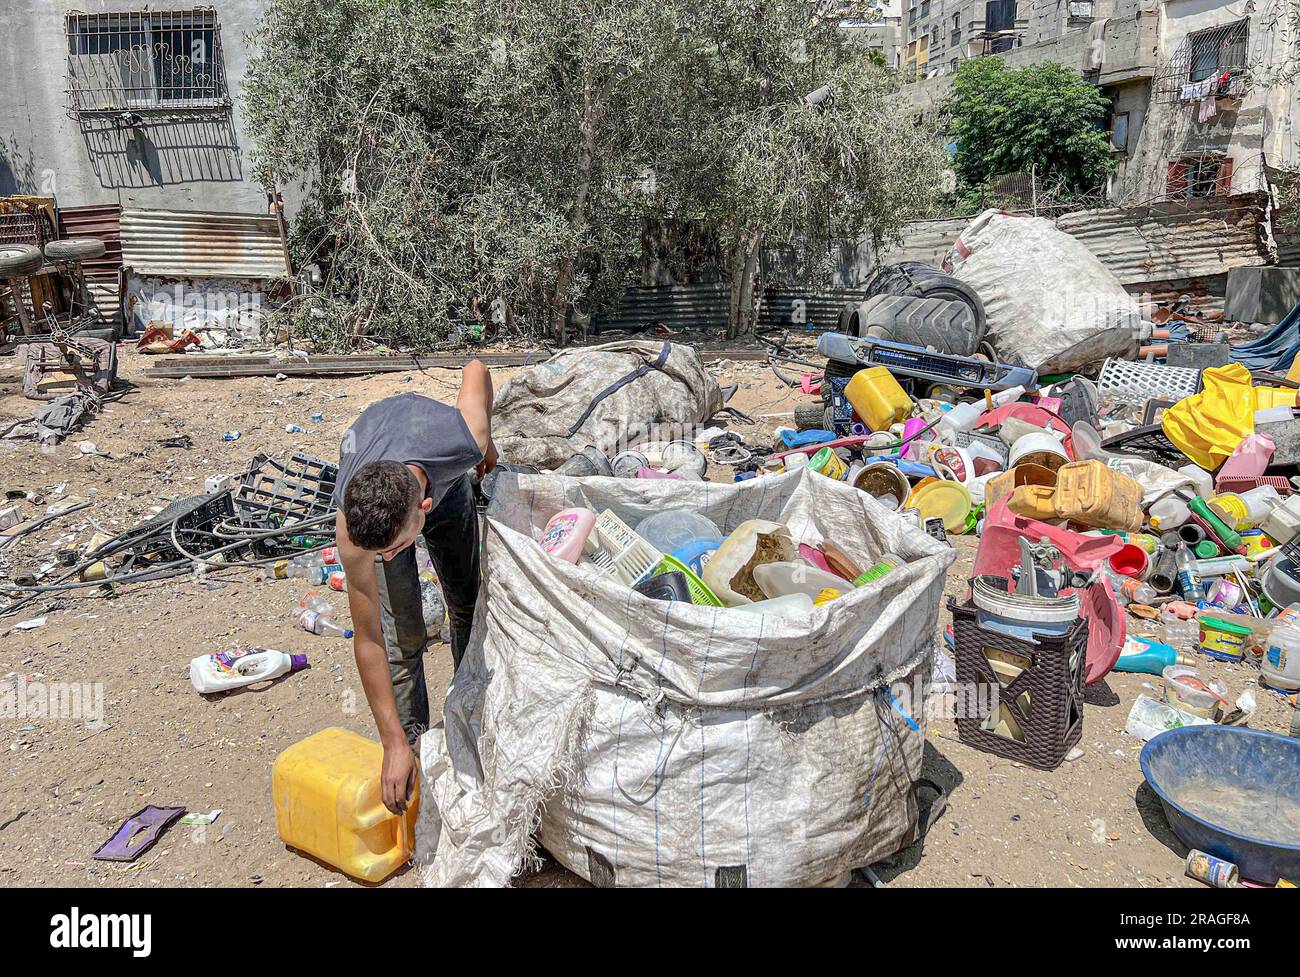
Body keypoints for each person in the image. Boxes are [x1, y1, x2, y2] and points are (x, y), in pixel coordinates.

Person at [333, 362, 497, 814]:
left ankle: (471, 717)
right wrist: (391, 744)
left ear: (422, 510)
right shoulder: (353, 527)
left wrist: (491, 448)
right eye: (378, 554)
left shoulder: (462, 441)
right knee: (400, 636)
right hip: (379, 448)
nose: (384, 561)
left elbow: (477, 369)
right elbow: (367, 641)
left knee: (465, 604)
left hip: (439, 474)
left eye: (395, 549)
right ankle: (413, 749)